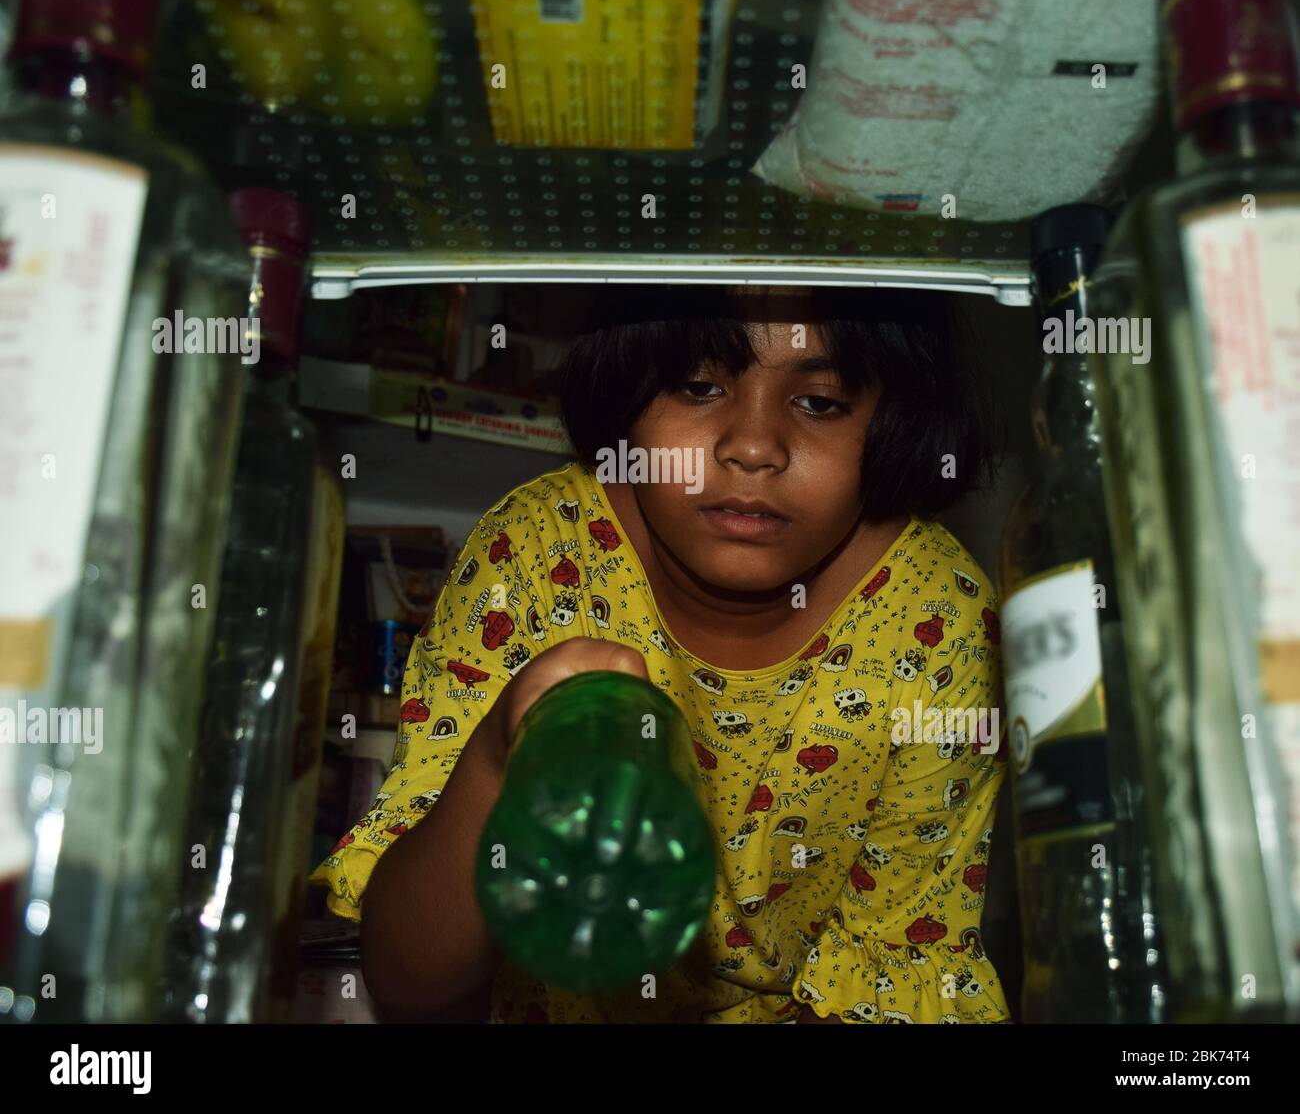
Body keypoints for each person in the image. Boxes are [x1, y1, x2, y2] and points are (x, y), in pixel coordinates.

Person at [309, 284, 1011, 1024]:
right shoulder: (536, 558)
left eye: (821, 402)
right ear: (627, 392)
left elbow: (894, 976)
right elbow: (409, 978)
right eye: (700, 385)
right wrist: (495, 754)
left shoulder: (940, 619)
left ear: (893, 419)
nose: (754, 446)